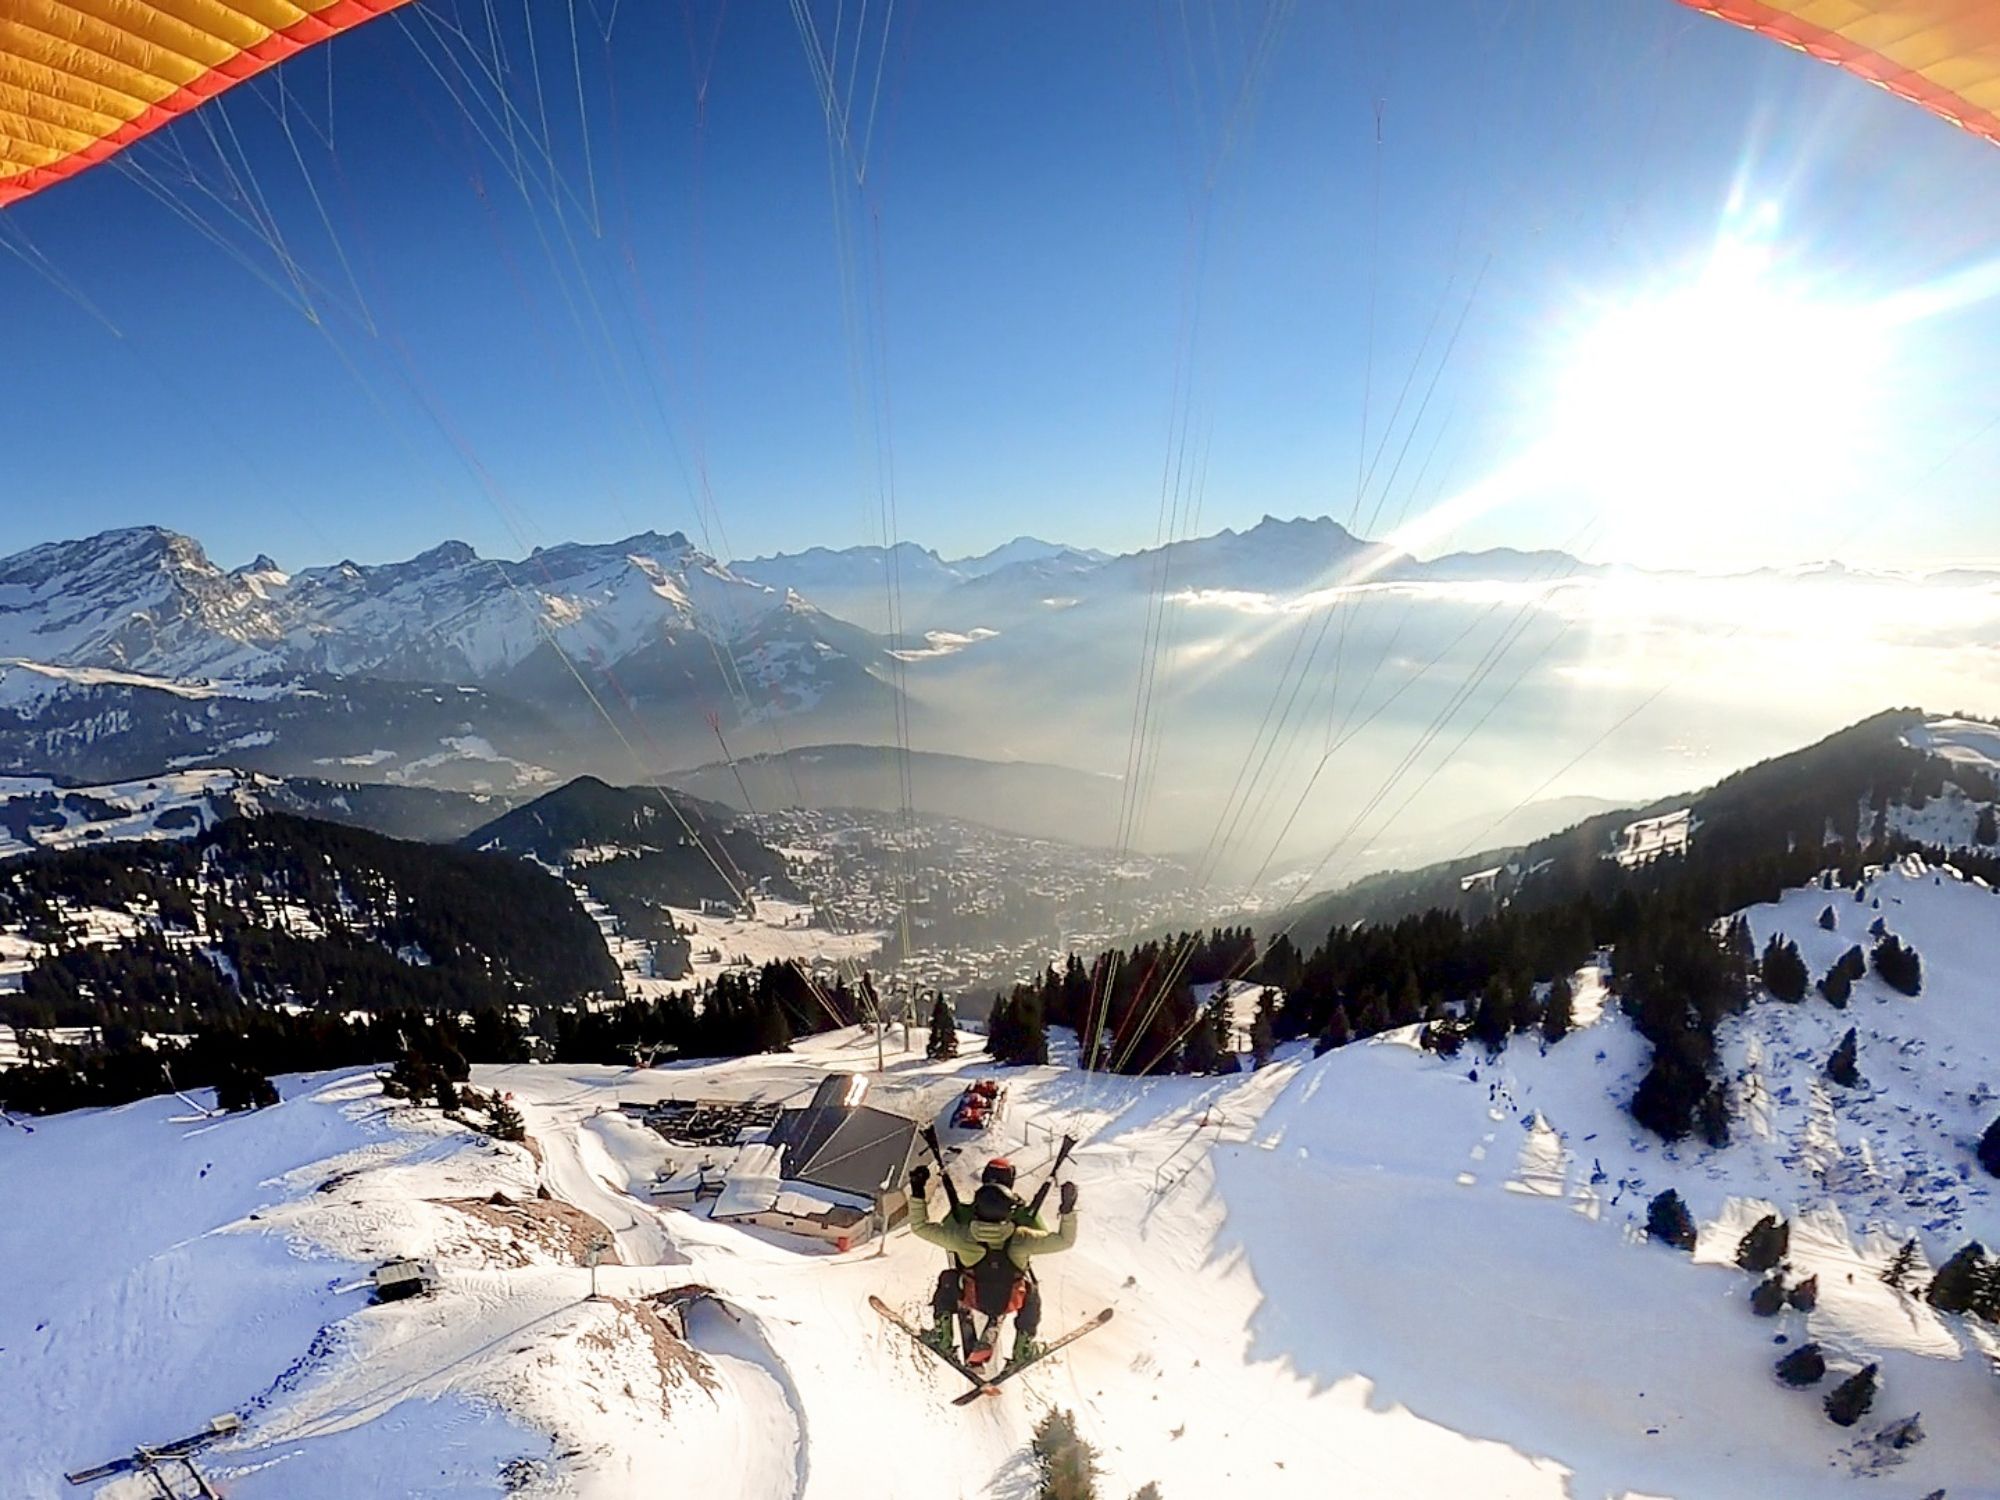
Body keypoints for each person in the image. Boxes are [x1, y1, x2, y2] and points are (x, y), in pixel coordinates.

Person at [908, 1158, 1078, 1368]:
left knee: (949, 1277)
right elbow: (1065, 1240)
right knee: (1031, 1292)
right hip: (1011, 1301)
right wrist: (1068, 1211)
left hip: (972, 1298)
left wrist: (917, 1191)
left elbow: (919, 1227)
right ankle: (1023, 1348)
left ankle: (942, 1335)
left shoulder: (962, 1237)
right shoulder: (1022, 1238)